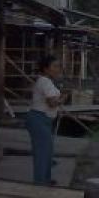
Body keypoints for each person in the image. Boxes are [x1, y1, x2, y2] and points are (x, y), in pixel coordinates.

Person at [26, 55, 63, 185]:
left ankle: (45, 179)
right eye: (55, 66)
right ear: (46, 69)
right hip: (39, 119)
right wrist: (62, 99)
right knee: (43, 152)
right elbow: (52, 103)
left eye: (59, 66)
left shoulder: (46, 81)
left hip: (41, 119)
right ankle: (40, 182)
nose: (58, 69)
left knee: (46, 151)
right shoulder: (45, 82)